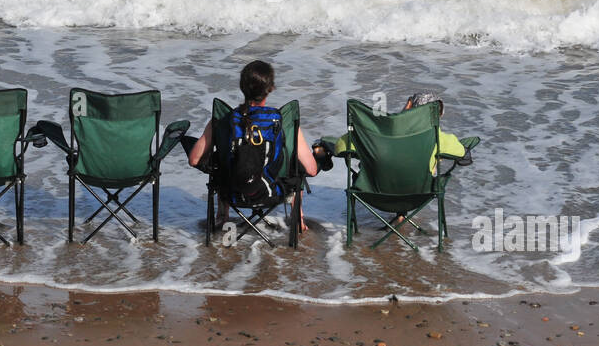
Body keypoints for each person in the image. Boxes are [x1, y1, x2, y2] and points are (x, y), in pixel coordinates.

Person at [188, 60, 319, 231]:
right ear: (270, 88)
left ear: (242, 87)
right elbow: (311, 170)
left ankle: (222, 216)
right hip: (273, 192)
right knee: (295, 166)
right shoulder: (282, 123)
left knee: (218, 161)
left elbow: (194, 160)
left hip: (232, 193)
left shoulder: (222, 121)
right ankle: (298, 219)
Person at [319, 91, 467, 226]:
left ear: (409, 106)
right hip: (418, 195)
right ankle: (402, 216)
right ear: (437, 116)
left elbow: (339, 148)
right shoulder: (439, 138)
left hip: (374, 194)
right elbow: (461, 152)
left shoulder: (375, 134)